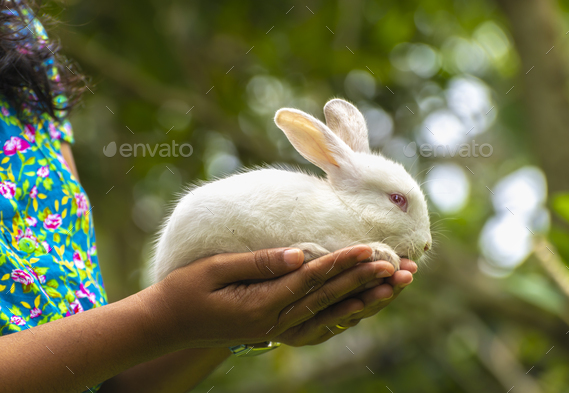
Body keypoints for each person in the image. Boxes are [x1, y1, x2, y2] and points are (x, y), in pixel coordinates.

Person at [0, 2, 418, 392]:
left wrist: (250, 318)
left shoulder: (23, 38)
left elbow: (112, 381)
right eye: (399, 203)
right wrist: (165, 315)